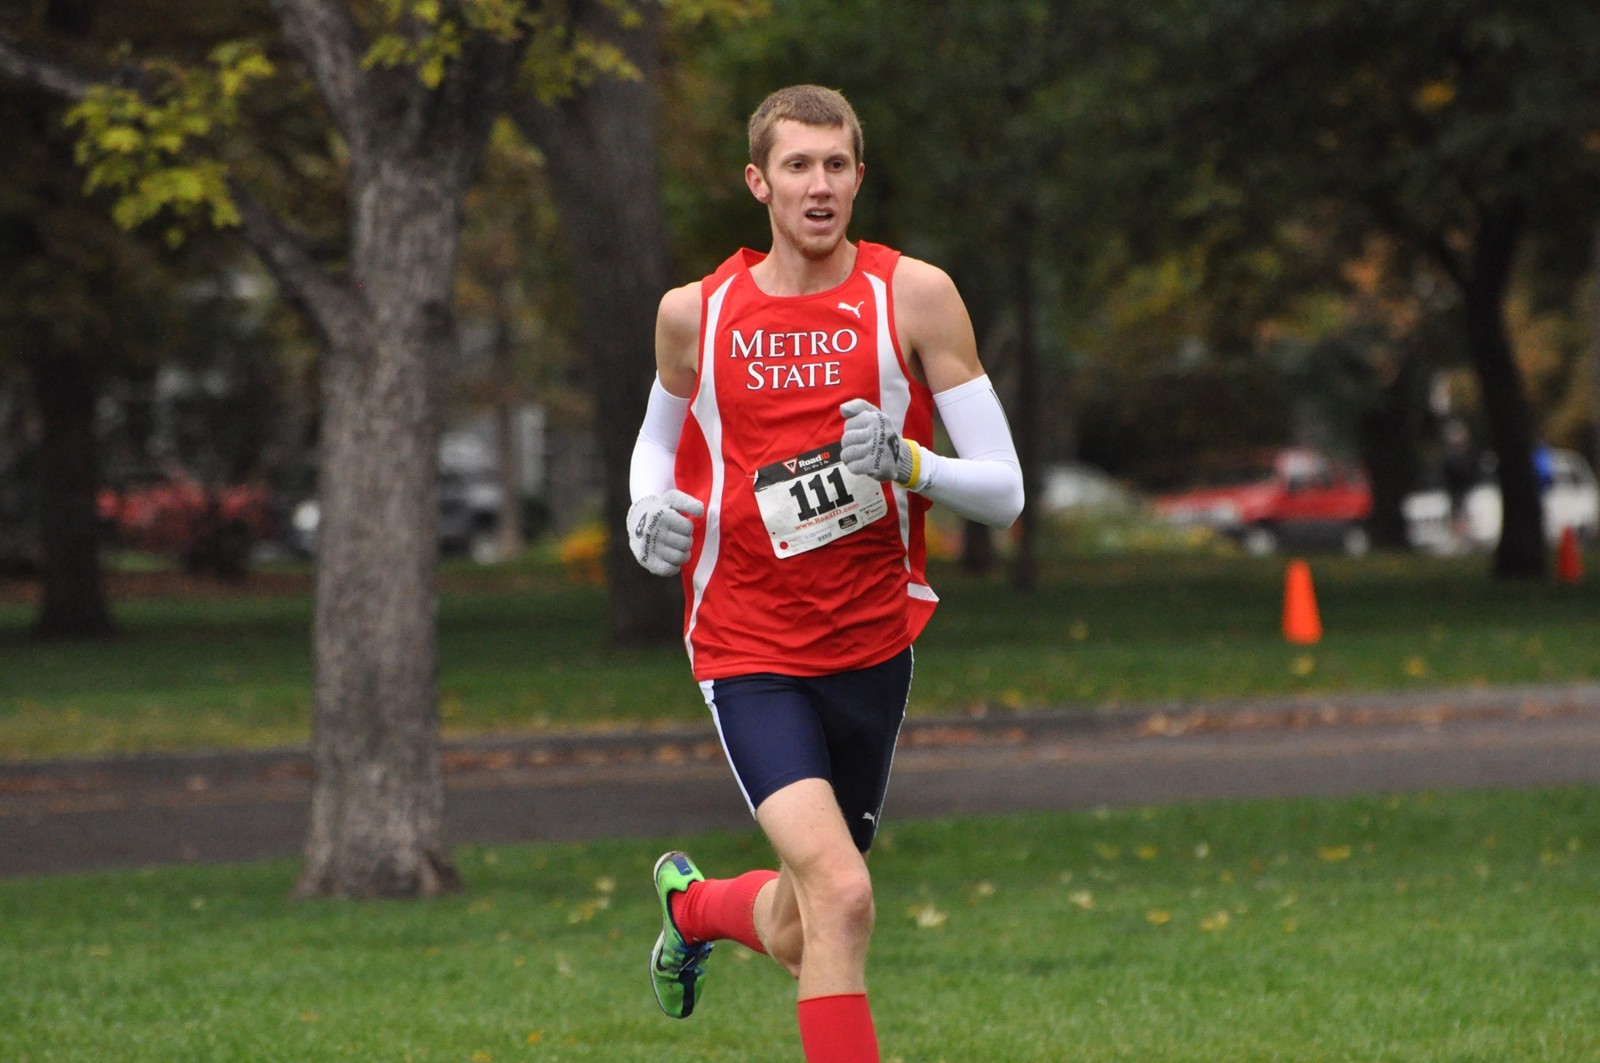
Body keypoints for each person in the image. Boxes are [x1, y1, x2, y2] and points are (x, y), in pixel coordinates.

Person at [625, 84, 1023, 1063]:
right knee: (844, 894)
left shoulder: (912, 296)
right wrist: (647, 519)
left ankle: (698, 907)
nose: (818, 184)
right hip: (747, 642)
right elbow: (653, 446)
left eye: (835, 164)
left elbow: (1005, 491)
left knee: (814, 920)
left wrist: (908, 462)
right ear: (758, 181)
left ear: (857, 176)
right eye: (797, 165)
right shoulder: (695, 313)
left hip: (870, 642)